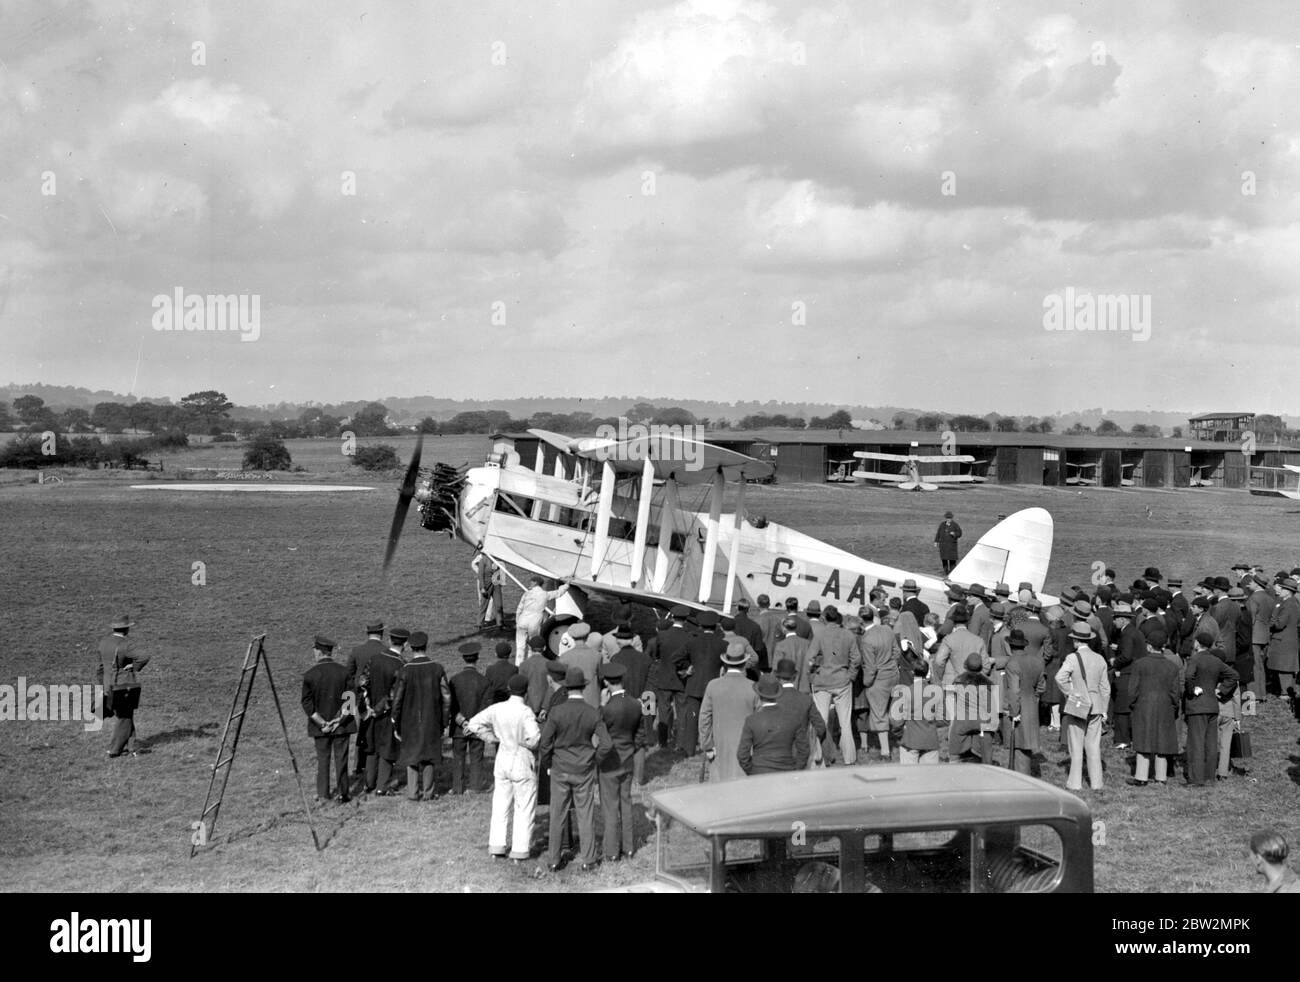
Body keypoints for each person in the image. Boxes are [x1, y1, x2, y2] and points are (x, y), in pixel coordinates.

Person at [539, 667, 612, 872]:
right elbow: (606, 743)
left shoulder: (557, 711)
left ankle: (554, 859)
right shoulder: (591, 711)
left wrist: (548, 763)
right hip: (584, 769)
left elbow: (545, 742)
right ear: (583, 686)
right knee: (585, 813)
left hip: (560, 768)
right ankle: (589, 860)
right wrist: (594, 760)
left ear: (567, 686)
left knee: (557, 814)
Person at [466, 674, 540, 862]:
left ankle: (496, 846)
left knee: (500, 804)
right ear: (526, 690)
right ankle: (520, 850)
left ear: (508, 687)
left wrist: (491, 737)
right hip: (521, 759)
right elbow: (535, 738)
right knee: (524, 806)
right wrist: (525, 744)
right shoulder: (526, 712)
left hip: (502, 759)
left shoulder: (497, 708)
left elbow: (474, 723)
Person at [391, 631, 450, 801]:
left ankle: (412, 791)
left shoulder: (405, 670)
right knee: (429, 755)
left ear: (410, 647)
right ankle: (429, 791)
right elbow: (447, 697)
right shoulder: (437, 668)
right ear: (426, 645)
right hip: (432, 719)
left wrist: (396, 723)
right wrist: (444, 722)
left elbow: (397, 700)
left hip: (409, 721)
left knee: (412, 755)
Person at [1054, 622, 1110, 791]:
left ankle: (1075, 783)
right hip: (1097, 706)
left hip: (1079, 705)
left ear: (1075, 641)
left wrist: (1071, 693)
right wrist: (1104, 710)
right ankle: (1097, 783)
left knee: (1076, 745)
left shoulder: (1072, 658)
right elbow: (1105, 688)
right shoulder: (1100, 658)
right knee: (1093, 745)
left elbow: (1059, 678)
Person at [301, 635, 356, 803]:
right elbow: (351, 698)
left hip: (320, 727)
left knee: (323, 760)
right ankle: (343, 793)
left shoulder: (310, 675)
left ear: (319, 652)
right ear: (330, 652)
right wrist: (337, 721)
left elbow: (306, 703)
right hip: (342, 725)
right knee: (342, 759)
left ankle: (323, 794)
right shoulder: (344, 672)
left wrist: (322, 722)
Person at [806, 606, 862, 766]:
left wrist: (811, 675)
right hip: (842, 680)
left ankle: (818, 755)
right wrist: (850, 675)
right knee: (845, 722)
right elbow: (856, 659)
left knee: (820, 721)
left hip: (822, 681)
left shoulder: (820, 634)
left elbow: (809, 659)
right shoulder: (848, 635)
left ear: (824, 618)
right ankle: (849, 758)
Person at [597, 663, 641, 861]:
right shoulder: (636, 704)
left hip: (609, 762)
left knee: (610, 806)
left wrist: (601, 706)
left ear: (606, 682)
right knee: (626, 803)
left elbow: (598, 729)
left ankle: (612, 851)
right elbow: (641, 735)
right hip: (628, 758)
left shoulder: (607, 709)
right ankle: (629, 848)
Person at [699, 641, 761, 782]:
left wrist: (707, 745)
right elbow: (761, 720)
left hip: (719, 745)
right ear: (745, 663)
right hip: (747, 748)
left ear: (725, 663)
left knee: (719, 786)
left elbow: (704, 718)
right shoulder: (753, 687)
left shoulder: (713, 685)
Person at [1183, 632, 1238, 787]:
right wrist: (1221, 690)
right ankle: (1209, 777)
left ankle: (1196, 779)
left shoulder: (1195, 659)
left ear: (1197, 644)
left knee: (1196, 743)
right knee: (1211, 743)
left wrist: (1192, 690)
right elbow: (1234, 675)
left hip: (1197, 705)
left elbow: (1188, 677)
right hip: (1213, 706)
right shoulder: (1215, 660)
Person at [1127, 630, 1181, 786]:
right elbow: (1175, 693)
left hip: (1143, 706)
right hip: (1165, 707)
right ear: (1163, 646)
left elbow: (1132, 690)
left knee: (1143, 741)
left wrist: (1133, 704)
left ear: (1149, 646)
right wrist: (1173, 706)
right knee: (1162, 743)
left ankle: (1141, 777)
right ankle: (1161, 778)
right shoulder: (1172, 666)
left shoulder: (1139, 664)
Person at [98, 613, 150, 758]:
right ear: (126, 629)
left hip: (109, 684)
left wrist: (102, 684)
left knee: (125, 715)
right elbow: (145, 656)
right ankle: (114, 749)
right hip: (124, 685)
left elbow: (100, 667)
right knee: (125, 717)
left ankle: (133, 747)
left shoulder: (104, 642)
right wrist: (133, 666)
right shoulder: (126, 644)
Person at [360, 629, 404, 795]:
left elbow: (362, 683)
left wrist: (367, 708)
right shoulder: (401, 664)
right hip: (387, 714)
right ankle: (382, 786)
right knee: (387, 749)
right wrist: (379, 709)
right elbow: (395, 694)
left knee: (372, 747)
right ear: (405, 644)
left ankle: (369, 783)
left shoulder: (374, 659)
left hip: (370, 712)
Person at [737, 674, 810, 774]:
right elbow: (804, 750)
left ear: (759, 694)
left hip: (759, 771)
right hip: (786, 771)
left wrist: (753, 771)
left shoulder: (752, 720)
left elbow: (742, 755)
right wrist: (795, 770)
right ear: (778, 694)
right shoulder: (793, 718)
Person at [645, 605, 692, 751]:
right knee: (682, 711)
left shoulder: (662, 636)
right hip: (682, 677)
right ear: (685, 619)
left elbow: (657, 654)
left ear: (672, 618)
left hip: (664, 676)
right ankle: (680, 743)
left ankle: (663, 742)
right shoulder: (689, 636)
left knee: (663, 712)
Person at [449, 642, 493, 794]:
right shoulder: (484, 681)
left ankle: (457, 787)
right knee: (477, 757)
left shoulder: (454, 680)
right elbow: (486, 708)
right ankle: (475, 786)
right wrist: (473, 724)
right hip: (478, 727)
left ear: (463, 658)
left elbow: (451, 705)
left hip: (458, 726)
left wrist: (463, 722)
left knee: (458, 758)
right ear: (477, 658)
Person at [345, 620, 386, 784]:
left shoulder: (356, 651)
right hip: (381, 698)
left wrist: (351, 701)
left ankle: (358, 765)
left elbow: (348, 676)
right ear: (381, 633)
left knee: (362, 730)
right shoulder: (386, 651)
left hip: (360, 698)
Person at [681, 609, 727, 756]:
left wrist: (685, 670)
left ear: (700, 626)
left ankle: (689, 749)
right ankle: (710, 746)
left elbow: (677, 658)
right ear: (716, 626)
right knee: (712, 717)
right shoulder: (723, 644)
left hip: (694, 684)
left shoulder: (691, 642)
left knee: (692, 718)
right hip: (714, 684)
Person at [858, 607, 899, 761]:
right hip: (893, 675)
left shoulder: (866, 639)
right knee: (890, 711)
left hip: (878, 680)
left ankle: (885, 752)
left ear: (861, 620)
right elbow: (897, 651)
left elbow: (870, 667)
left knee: (879, 714)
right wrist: (891, 664)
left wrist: (867, 683)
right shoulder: (887, 630)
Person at [1001, 628, 1044, 775]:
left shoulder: (1012, 663)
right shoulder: (1036, 661)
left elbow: (1014, 691)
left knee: (1019, 745)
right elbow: (1041, 686)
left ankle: (1021, 780)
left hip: (1018, 706)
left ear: (1010, 645)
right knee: (1026, 744)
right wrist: (1034, 699)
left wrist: (1014, 712)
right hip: (1031, 703)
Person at [774, 658, 826, 769]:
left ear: (777, 677)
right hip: (801, 753)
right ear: (795, 677)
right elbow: (820, 727)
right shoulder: (805, 700)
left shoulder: (772, 700)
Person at [895, 658, 940, 764]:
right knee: (930, 778)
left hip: (910, 739)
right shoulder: (936, 692)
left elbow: (897, 720)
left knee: (909, 777)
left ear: (912, 672)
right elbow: (944, 718)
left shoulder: (906, 692)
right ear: (927, 672)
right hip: (930, 740)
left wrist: (899, 732)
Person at [514, 576, 569, 664]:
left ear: (536, 583)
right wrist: (566, 585)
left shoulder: (527, 594)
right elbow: (559, 593)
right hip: (534, 622)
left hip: (522, 620)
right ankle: (530, 664)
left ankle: (518, 664)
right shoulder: (545, 594)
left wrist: (517, 620)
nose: (530, 583)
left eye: (531, 582)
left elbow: (519, 608)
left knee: (520, 645)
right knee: (533, 644)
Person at [1267, 577, 1299, 696]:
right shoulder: (1294, 602)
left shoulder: (1288, 604)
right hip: (1289, 639)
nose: (1280, 589)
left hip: (1283, 639)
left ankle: (1285, 693)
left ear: (1288, 591)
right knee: (1287, 668)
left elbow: (1280, 624)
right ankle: (1288, 691)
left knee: (1283, 668)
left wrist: (1269, 623)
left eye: (1283, 588)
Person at [559, 623, 603, 708]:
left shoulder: (565, 657)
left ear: (572, 638)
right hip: (593, 700)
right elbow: (600, 678)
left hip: (571, 701)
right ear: (587, 637)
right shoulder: (597, 655)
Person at [1247, 573, 1274, 702]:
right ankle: (1262, 693)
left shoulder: (1253, 598)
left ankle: (1256, 694)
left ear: (1257, 584)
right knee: (1261, 666)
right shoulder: (1270, 599)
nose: (1249, 584)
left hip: (1254, 636)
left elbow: (1250, 618)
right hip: (1265, 635)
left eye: (1251, 582)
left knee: (1254, 665)